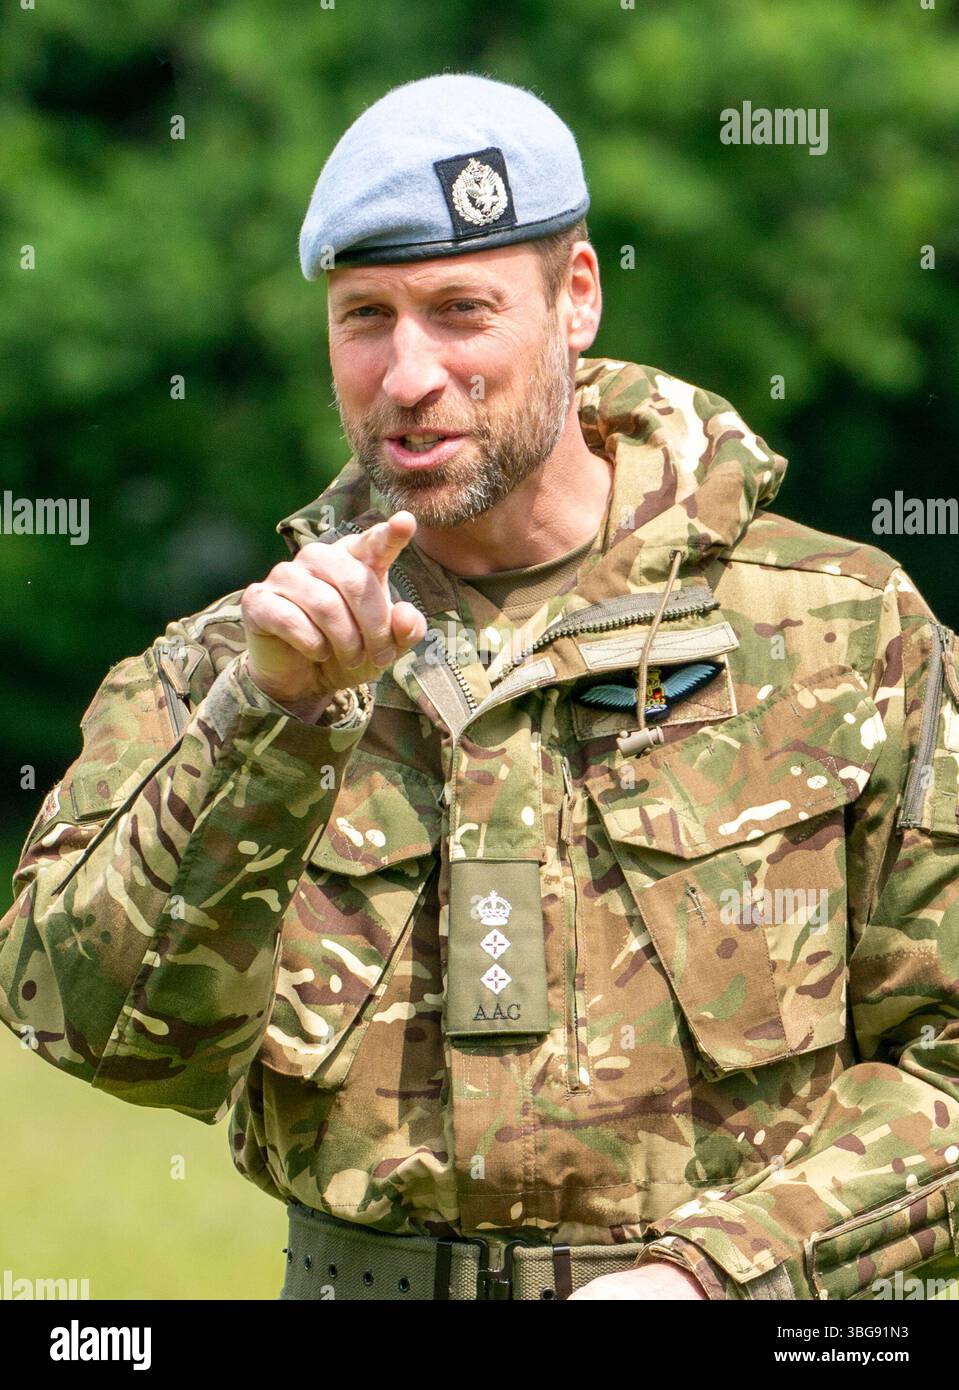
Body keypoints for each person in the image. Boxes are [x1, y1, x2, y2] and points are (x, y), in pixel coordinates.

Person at [3, 72, 958, 1303]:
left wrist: (714, 1276)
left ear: (575, 299)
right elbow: (97, 1035)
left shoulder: (838, 629)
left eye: (460, 309)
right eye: (365, 316)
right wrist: (273, 726)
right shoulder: (231, 666)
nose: (407, 374)